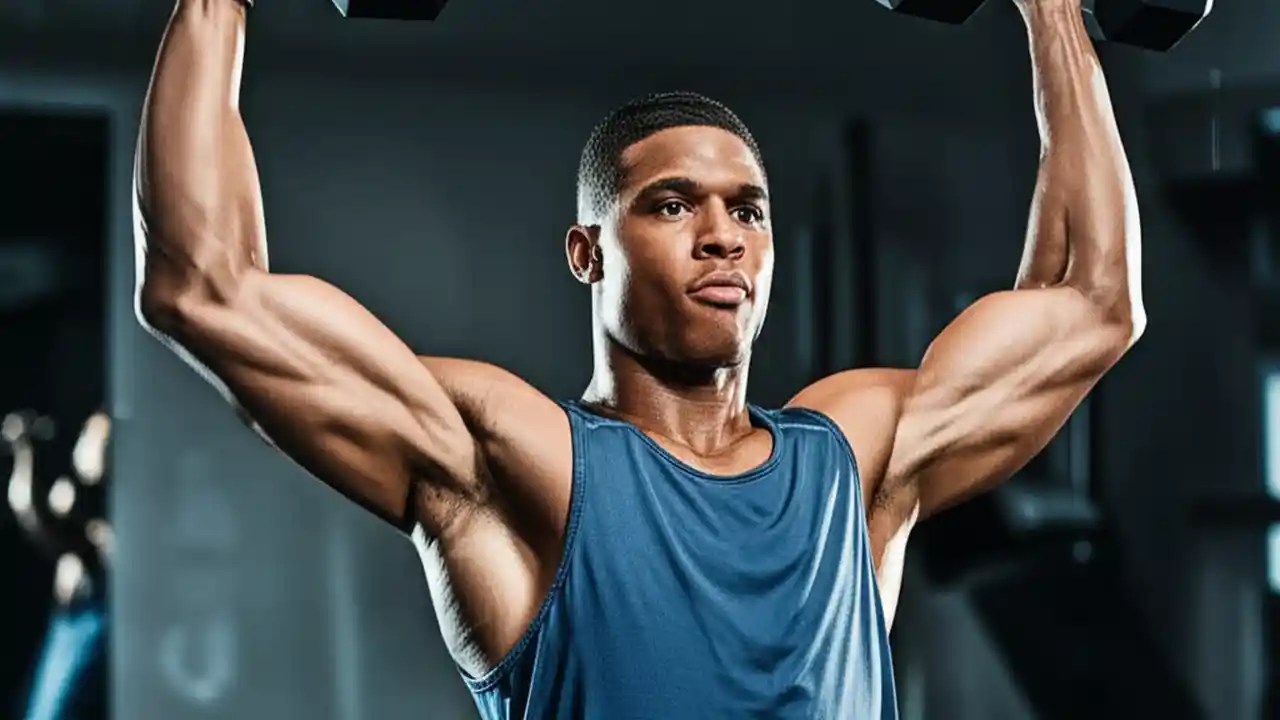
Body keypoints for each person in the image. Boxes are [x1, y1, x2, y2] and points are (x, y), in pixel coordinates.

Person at [131, 0, 1143, 717]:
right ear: (587, 252)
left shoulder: (855, 457)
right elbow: (205, 285)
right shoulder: (516, 464)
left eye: (747, 210)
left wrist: (1049, 13)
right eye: (670, 204)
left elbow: (1091, 304)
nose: (722, 237)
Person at [5, 410, 112, 720]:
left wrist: (24, 454)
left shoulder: (114, 508)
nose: (88, 444)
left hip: (93, 624)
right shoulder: (79, 496)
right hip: (72, 620)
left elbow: (42, 521)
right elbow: (40, 518)